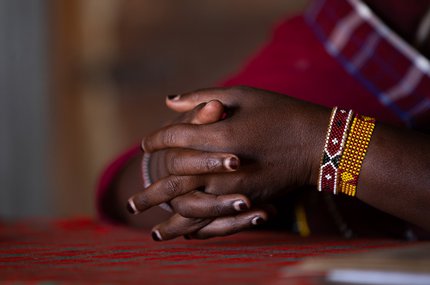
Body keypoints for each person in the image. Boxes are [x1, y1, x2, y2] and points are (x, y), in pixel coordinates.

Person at [97, 0, 430, 241]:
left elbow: (303, 138)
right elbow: (123, 194)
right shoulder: (382, 23)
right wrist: (182, 167)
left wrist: (326, 144)